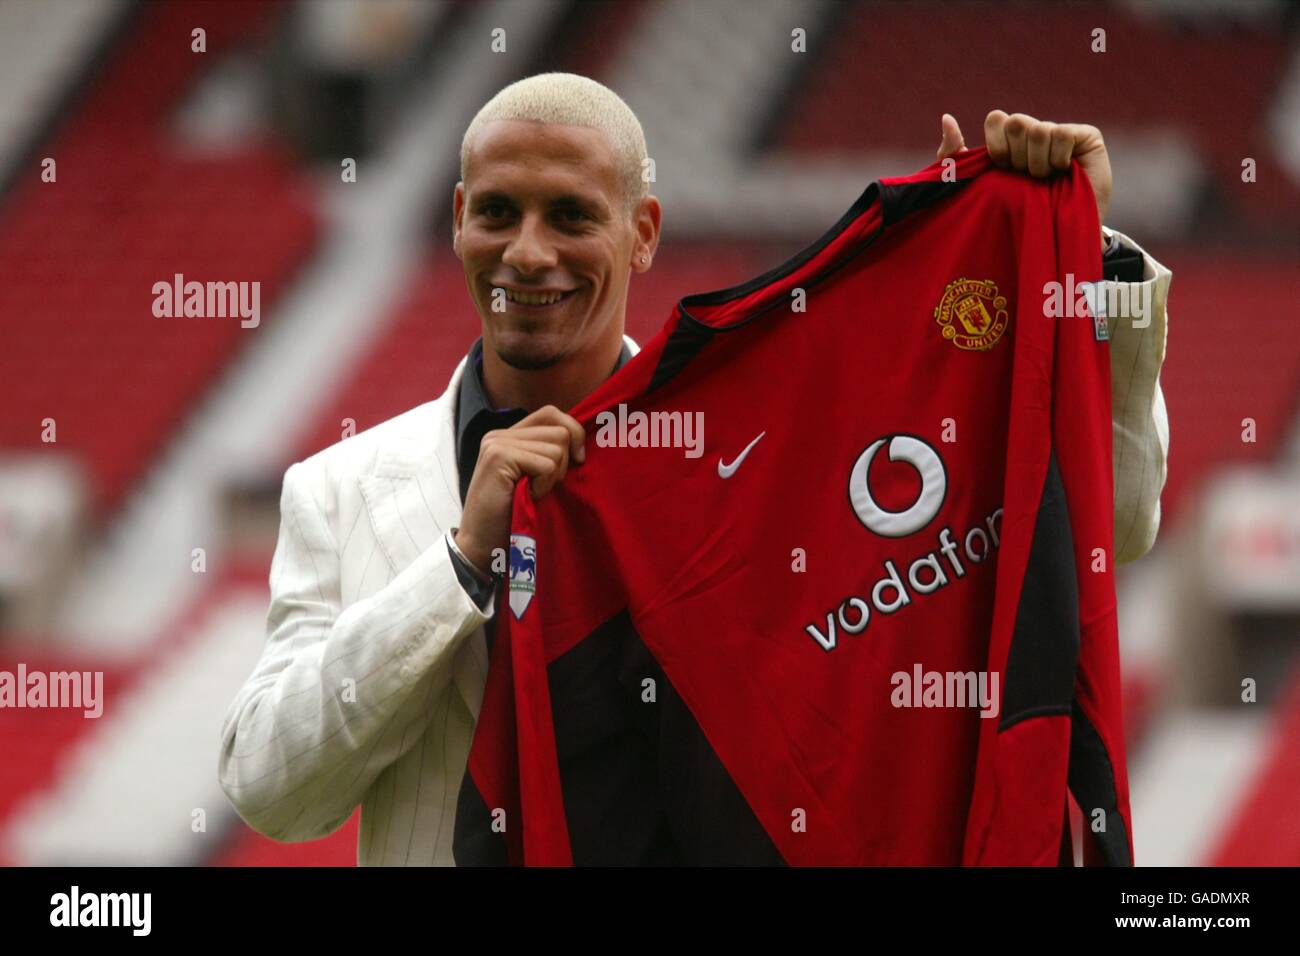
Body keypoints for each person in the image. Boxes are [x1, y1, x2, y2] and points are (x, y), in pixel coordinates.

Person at [218, 72, 1171, 865]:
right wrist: (464, 560)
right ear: (460, 217)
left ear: (643, 231)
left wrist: (1072, 255)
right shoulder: (338, 489)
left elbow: (1110, 525)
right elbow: (272, 791)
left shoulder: (742, 461)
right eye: (499, 213)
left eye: (572, 215)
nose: (529, 251)